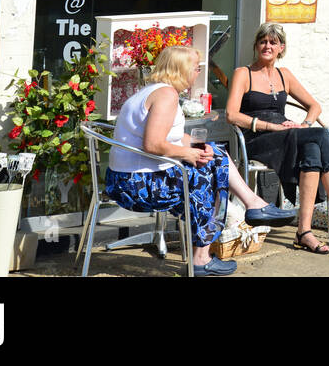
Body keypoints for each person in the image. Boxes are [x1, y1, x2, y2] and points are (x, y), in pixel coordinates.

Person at [105, 44, 293, 276]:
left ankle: (253, 205)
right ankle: (202, 258)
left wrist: (199, 148)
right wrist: (190, 154)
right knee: (211, 178)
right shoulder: (166, 96)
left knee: (214, 153)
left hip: (124, 179)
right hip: (137, 186)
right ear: (181, 70)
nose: (197, 73)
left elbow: (169, 136)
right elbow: (152, 144)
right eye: (195, 68)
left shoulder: (153, 90)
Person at [226, 22, 329, 255]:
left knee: (313, 149)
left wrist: (304, 125)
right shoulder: (244, 74)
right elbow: (231, 115)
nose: (267, 46)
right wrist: (271, 126)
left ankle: (304, 232)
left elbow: (315, 106)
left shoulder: (285, 75)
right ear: (256, 45)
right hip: (257, 139)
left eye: (273, 42)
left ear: (281, 48)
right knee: (321, 135)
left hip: (287, 136)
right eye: (263, 41)